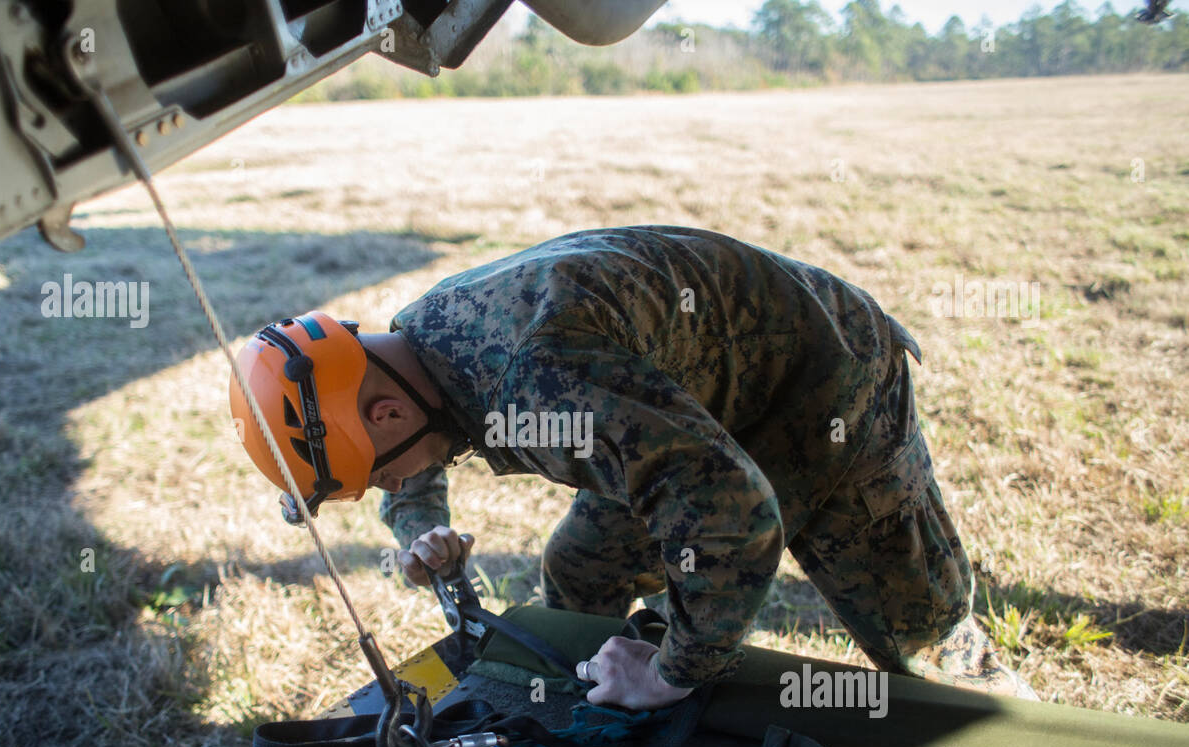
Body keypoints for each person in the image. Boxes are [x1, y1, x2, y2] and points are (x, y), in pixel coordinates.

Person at [230, 224, 1037, 711]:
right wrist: (420, 521)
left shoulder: (539, 385)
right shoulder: (413, 344)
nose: (385, 487)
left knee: (919, 632)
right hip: (692, 397)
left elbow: (731, 512)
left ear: (388, 413)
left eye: (371, 475)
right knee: (582, 566)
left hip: (824, 381)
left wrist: (677, 669)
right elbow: (408, 462)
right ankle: (629, 713)